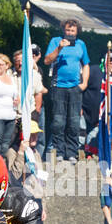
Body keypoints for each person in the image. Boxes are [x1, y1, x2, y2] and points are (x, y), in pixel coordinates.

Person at [43, 18, 89, 161]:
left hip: (75, 88)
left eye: (72, 31)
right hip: (58, 87)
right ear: (64, 30)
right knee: (58, 122)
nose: (69, 33)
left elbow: (86, 64)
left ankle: (71, 153)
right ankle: (59, 152)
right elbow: (46, 61)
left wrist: (85, 83)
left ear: (77, 32)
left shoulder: (81, 44)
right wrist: (59, 48)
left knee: (74, 122)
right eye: (67, 30)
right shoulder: (56, 41)